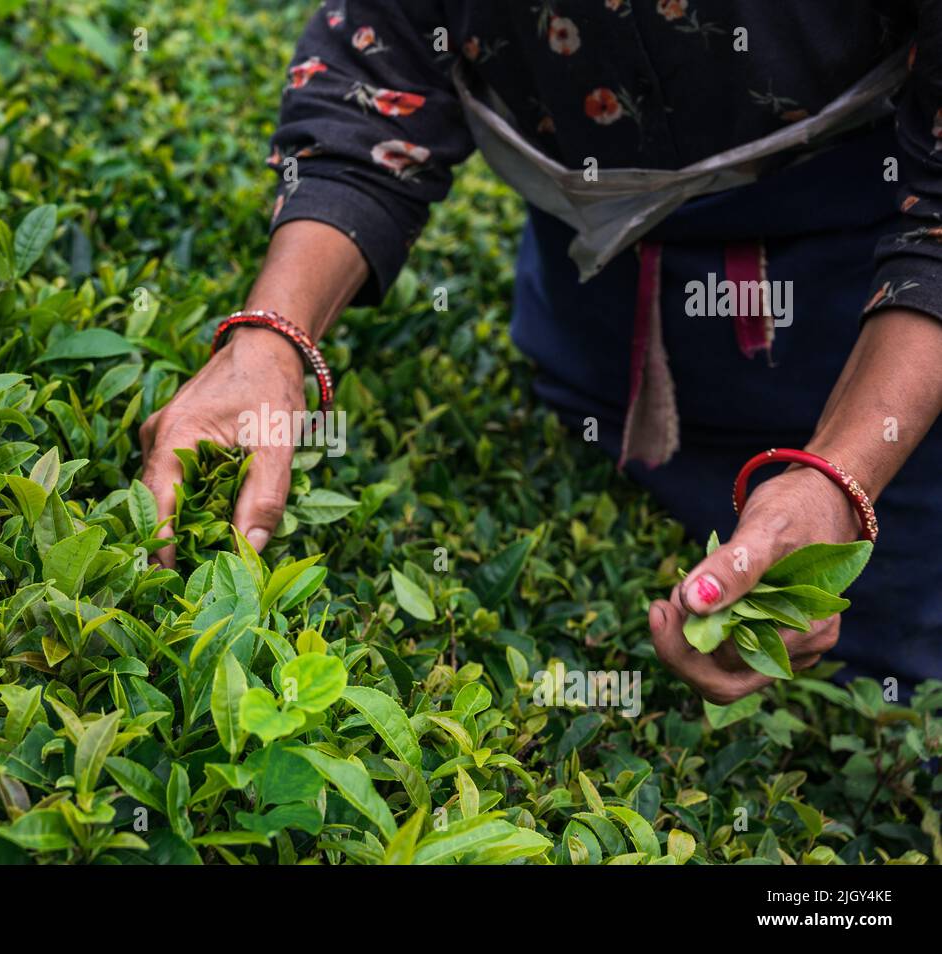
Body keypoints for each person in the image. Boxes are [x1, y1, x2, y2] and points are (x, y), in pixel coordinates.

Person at [138, 2, 942, 704]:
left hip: (878, 368)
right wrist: (270, 342)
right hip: (593, 342)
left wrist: (841, 480)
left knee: (881, 696)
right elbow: (375, 81)